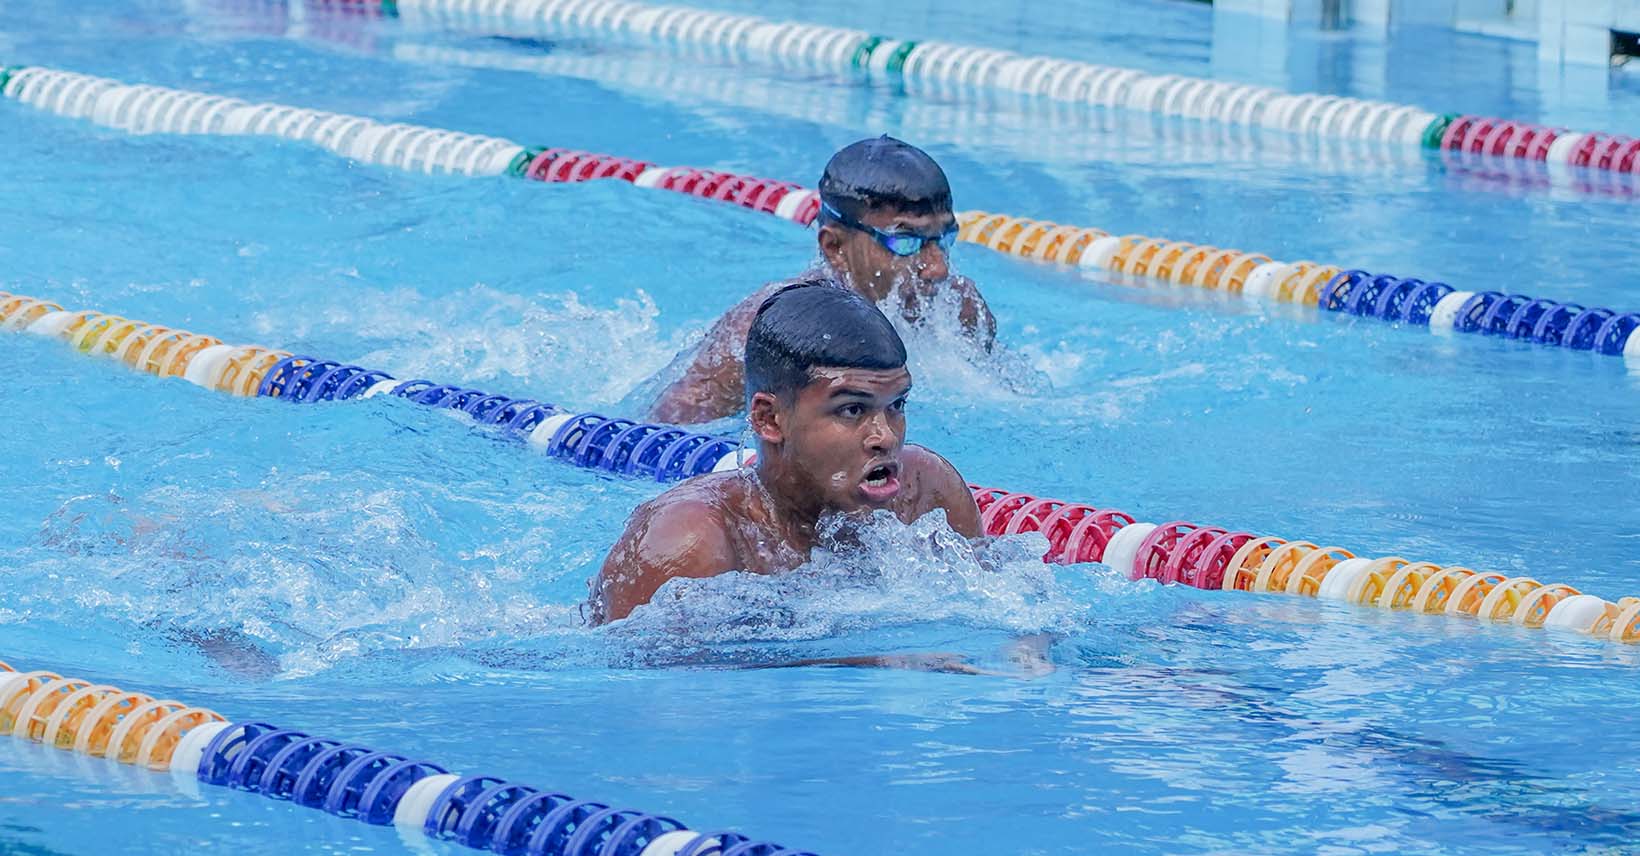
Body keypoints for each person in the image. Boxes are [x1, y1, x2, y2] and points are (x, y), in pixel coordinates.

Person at [592, 280, 983, 625]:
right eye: (852, 410)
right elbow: (654, 698)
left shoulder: (924, 493)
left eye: (896, 405)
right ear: (770, 419)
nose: (885, 437)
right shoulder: (691, 545)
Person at [645, 136, 998, 425]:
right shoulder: (770, 330)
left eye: (944, 239)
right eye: (907, 243)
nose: (937, 268)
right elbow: (667, 433)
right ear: (834, 246)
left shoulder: (959, 308)